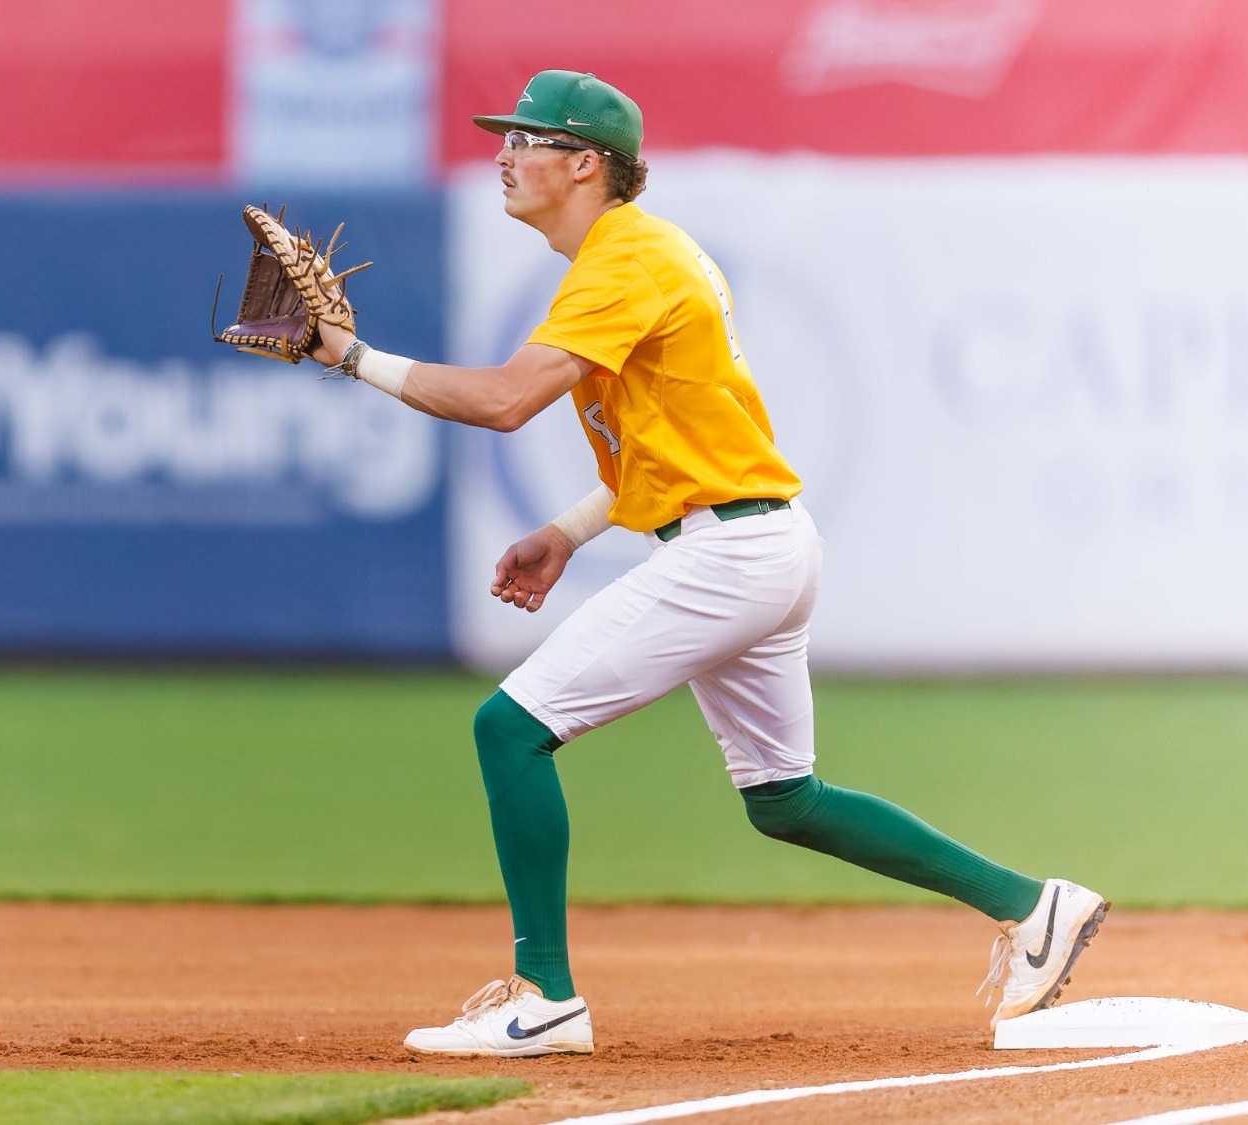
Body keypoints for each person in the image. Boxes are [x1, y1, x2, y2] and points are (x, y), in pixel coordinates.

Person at [306, 69, 1107, 1058]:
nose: (503, 153)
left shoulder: (623, 256)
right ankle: (1031, 907)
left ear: (584, 163)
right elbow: (678, 441)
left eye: (526, 138)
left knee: (507, 729)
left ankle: (542, 996)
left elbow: (504, 401)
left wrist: (348, 356)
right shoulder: (629, 256)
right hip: (756, 538)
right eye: (503, 136)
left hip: (729, 555)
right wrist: (568, 528)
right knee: (784, 801)